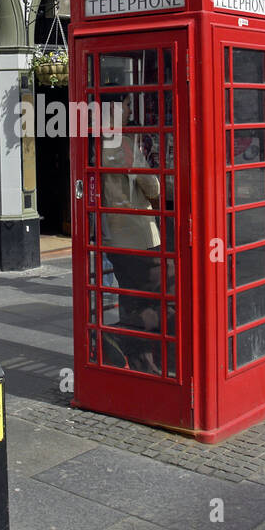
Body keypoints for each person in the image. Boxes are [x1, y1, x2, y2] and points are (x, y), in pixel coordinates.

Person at [99, 92, 162, 373]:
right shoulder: (122, 144)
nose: (129, 110)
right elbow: (152, 186)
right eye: (125, 104)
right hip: (139, 235)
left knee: (130, 296)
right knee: (159, 294)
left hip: (113, 234)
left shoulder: (95, 143)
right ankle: (122, 335)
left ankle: (139, 361)